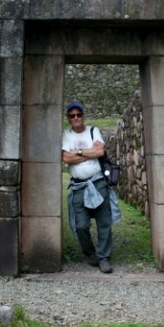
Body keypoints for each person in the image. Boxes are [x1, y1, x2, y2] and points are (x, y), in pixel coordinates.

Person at [61, 101, 121, 274]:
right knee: (81, 225)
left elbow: (100, 152)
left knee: (104, 222)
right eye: (72, 116)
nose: (76, 118)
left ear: (83, 115)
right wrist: (88, 153)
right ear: (69, 118)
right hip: (79, 186)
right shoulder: (66, 134)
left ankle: (103, 258)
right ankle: (90, 254)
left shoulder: (93, 131)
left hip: (98, 182)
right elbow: (65, 158)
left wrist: (77, 153)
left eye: (78, 114)